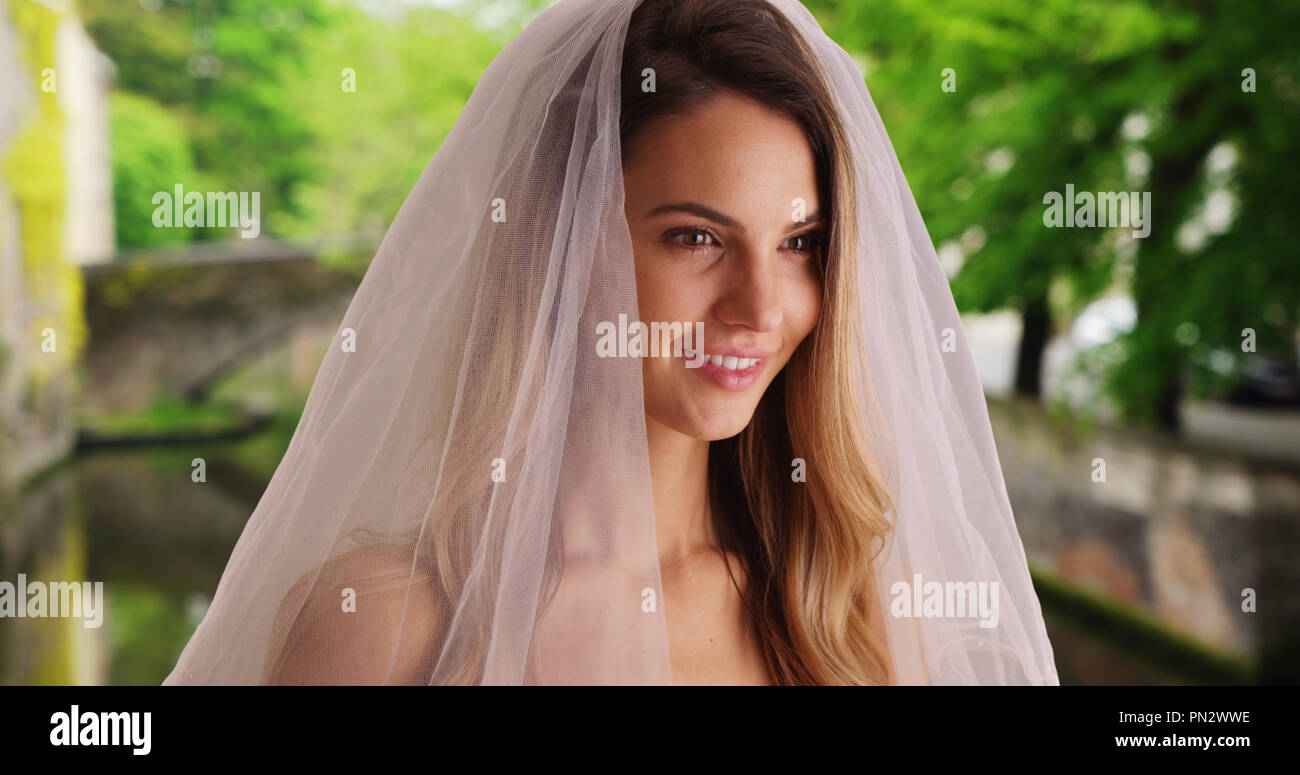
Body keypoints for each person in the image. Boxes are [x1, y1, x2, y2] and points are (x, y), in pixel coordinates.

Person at [164, 0, 1059, 686]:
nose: (760, 305)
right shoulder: (382, 627)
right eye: (696, 237)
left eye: (799, 244)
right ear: (561, 245)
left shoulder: (854, 611)